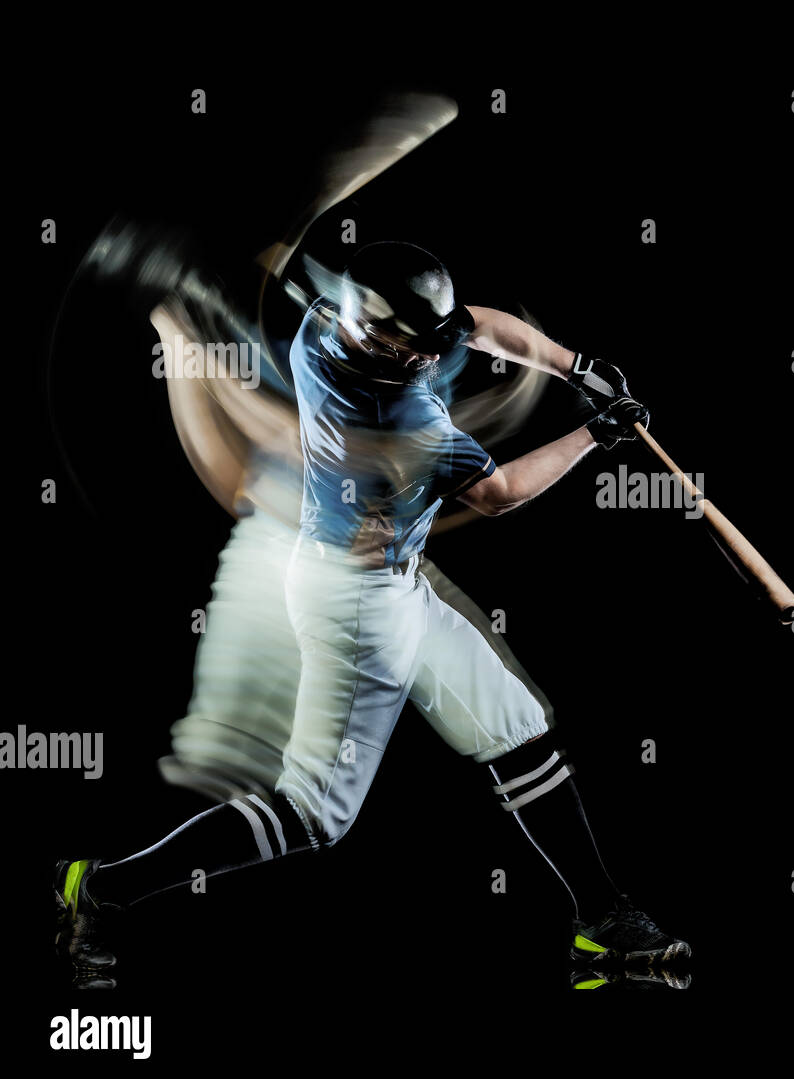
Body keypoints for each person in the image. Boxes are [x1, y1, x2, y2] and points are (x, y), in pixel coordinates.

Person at [53, 241, 690, 987]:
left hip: (395, 581)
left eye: (426, 344)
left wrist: (576, 366)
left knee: (515, 727)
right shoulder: (397, 413)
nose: (428, 360)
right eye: (409, 348)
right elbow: (501, 492)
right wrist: (594, 433)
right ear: (374, 334)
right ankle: (99, 888)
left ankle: (599, 924)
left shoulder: (342, 320)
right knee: (313, 814)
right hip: (354, 607)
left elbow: (475, 326)